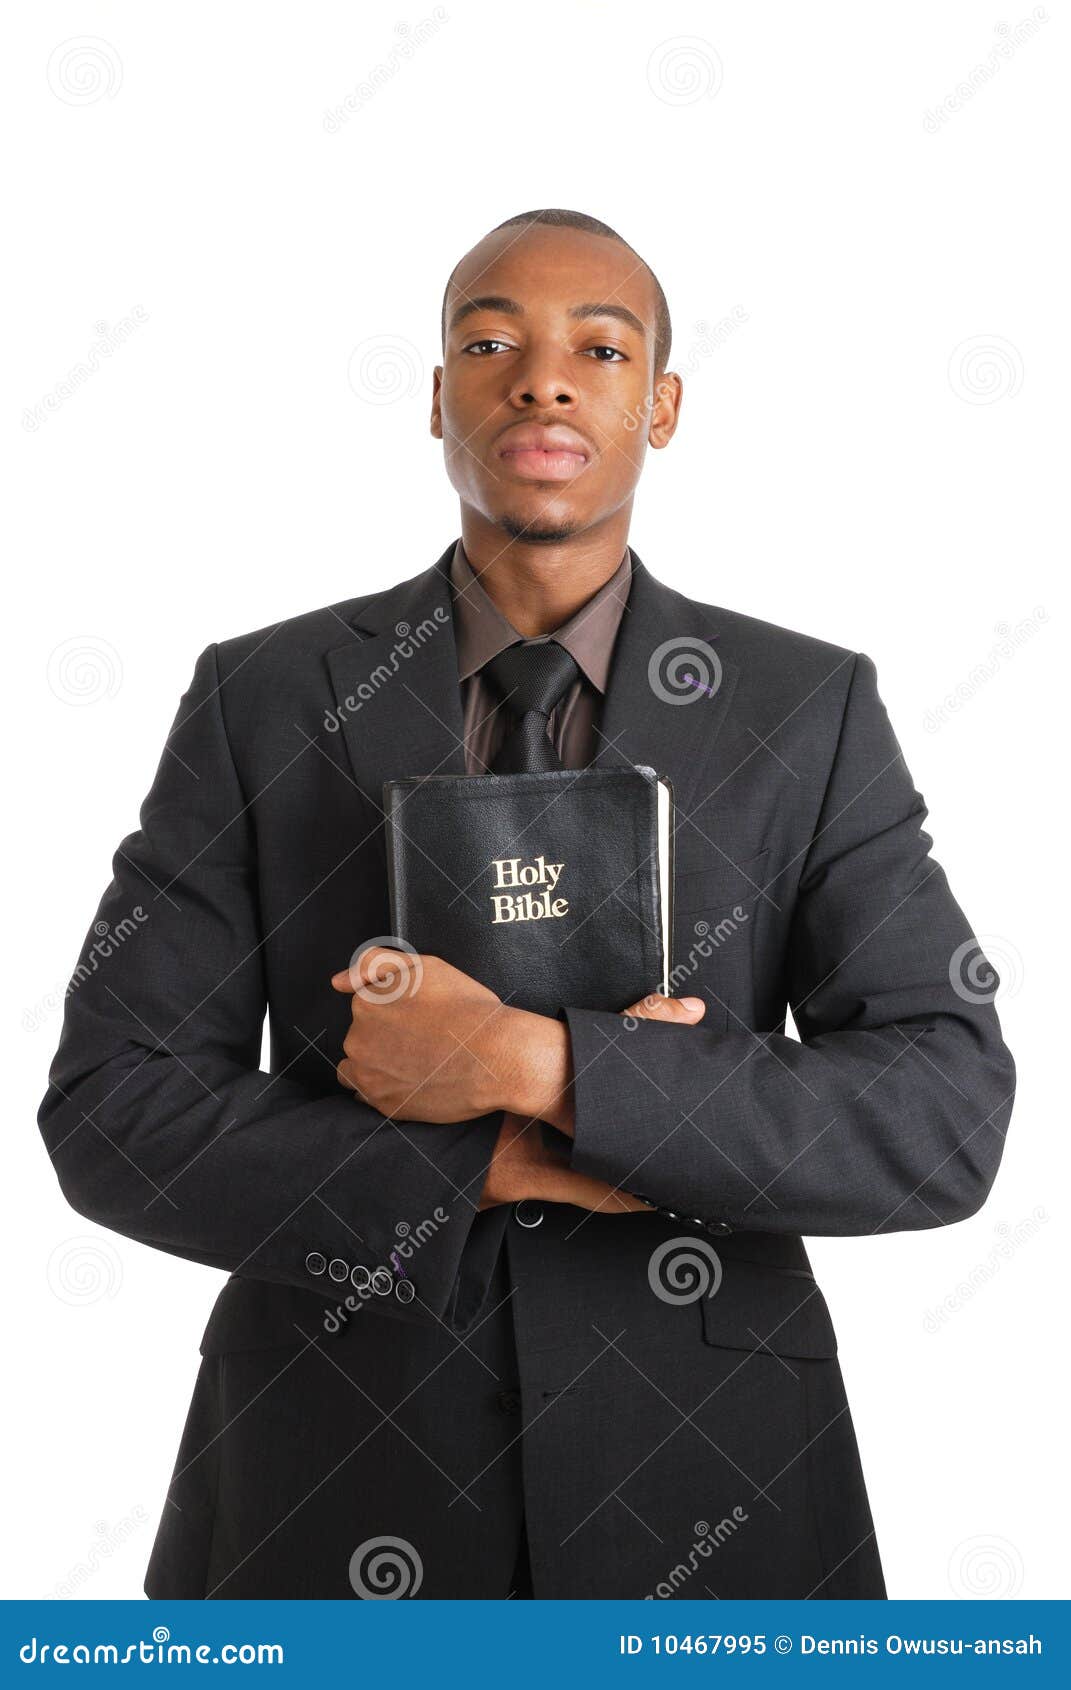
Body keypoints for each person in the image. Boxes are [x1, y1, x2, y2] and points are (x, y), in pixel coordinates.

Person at [39, 208, 1015, 1599]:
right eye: (489, 342)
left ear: (661, 405)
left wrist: (546, 1067)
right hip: (324, 1476)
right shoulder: (265, 698)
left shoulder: (808, 709)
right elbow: (112, 1106)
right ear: (440, 399)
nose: (541, 380)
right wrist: (466, 1165)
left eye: (598, 350)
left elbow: (944, 1111)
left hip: (715, 1484)